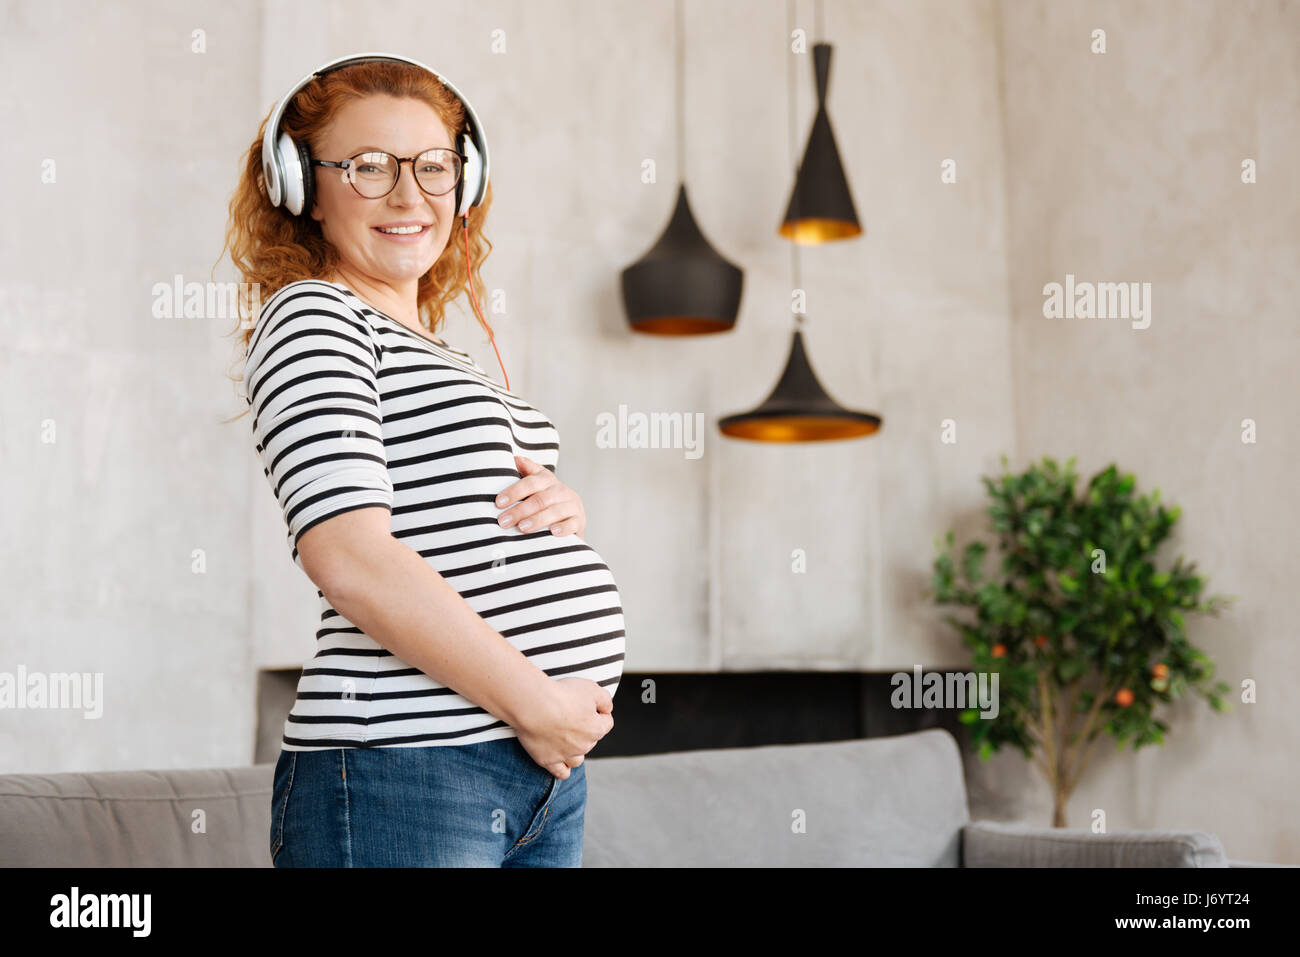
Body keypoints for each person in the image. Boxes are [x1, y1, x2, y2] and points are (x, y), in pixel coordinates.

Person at [221, 57, 625, 867]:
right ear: (302, 185)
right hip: (403, 776)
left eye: (434, 166)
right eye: (368, 168)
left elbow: (444, 518)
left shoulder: (442, 355)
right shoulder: (314, 319)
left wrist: (559, 517)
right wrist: (537, 701)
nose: (409, 195)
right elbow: (349, 559)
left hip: (528, 777)